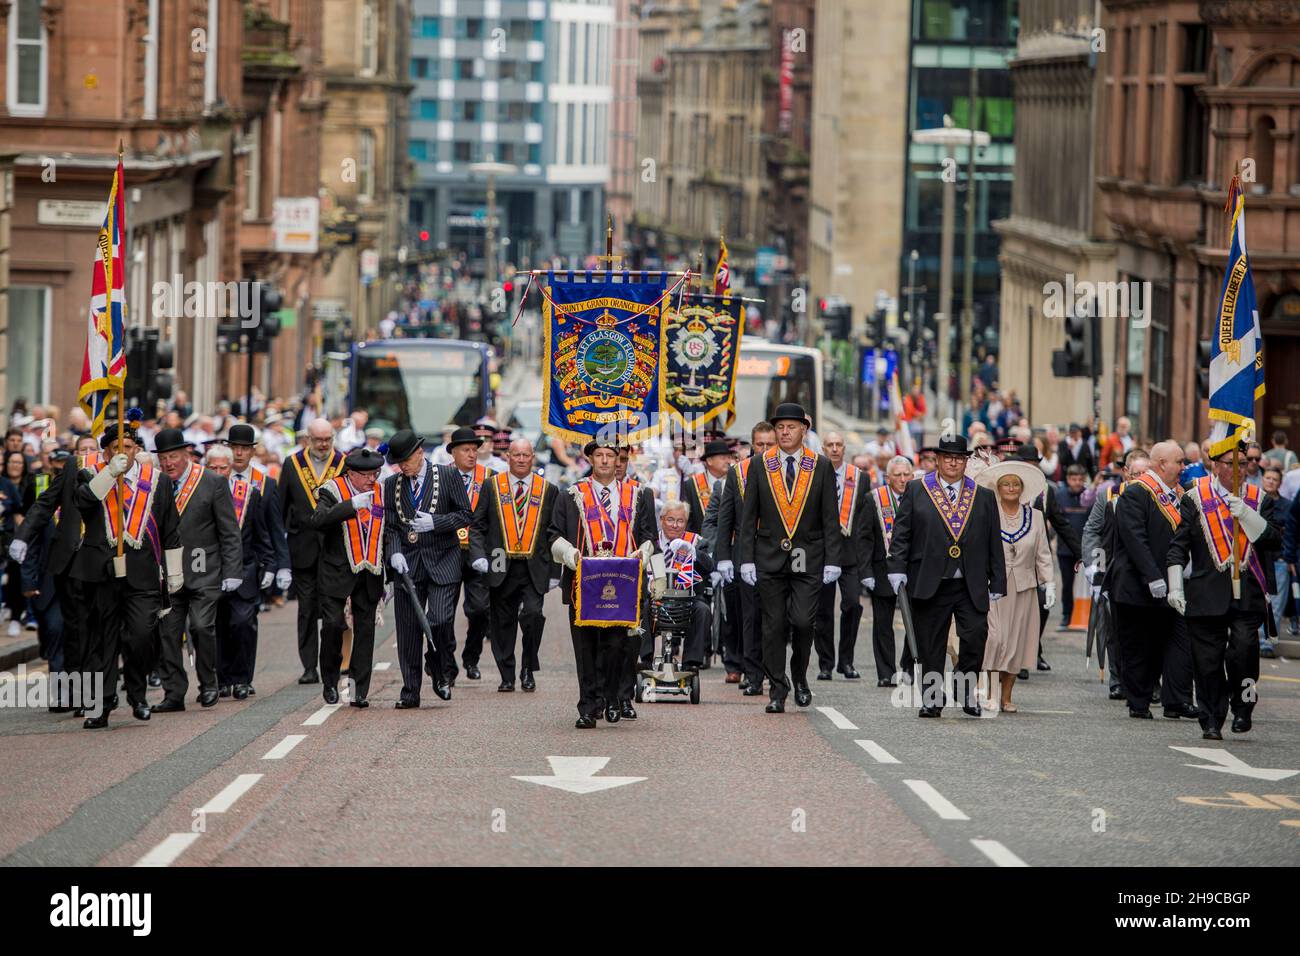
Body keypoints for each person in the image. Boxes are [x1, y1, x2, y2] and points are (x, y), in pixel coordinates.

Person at [886, 434, 1007, 717]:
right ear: (938, 460)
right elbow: (902, 534)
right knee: (931, 643)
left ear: (966, 462)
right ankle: (932, 698)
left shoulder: (983, 495)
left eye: (959, 458)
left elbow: (993, 541)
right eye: (947, 457)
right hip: (930, 579)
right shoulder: (917, 490)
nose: (953, 462)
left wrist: (997, 579)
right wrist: (896, 568)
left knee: (976, 636)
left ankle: (964, 689)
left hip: (971, 581)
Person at [1166, 443, 1281, 739]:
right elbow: (1179, 546)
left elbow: (1274, 541)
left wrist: (1247, 515)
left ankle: (1243, 708)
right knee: (1207, 662)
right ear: (1215, 465)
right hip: (1205, 593)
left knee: (1243, 651)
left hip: (1247, 595)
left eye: (1243, 463)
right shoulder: (1194, 498)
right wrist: (1176, 586)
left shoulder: (1258, 500)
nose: (1237, 469)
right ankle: (1211, 718)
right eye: (1230, 463)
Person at [73, 421, 183, 728]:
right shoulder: (92, 475)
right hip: (103, 574)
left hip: (144, 574)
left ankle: (137, 695)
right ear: (106, 452)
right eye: (116, 448)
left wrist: (174, 573)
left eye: (129, 447)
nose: (124, 453)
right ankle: (102, 706)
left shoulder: (157, 481)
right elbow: (83, 501)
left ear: (137, 449)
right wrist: (110, 473)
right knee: (102, 642)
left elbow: (170, 528)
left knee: (140, 636)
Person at [736, 403, 841, 714]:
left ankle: (799, 676)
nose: (784, 432)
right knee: (773, 625)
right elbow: (748, 516)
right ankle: (777, 689)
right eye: (780, 427)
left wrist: (833, 559)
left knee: (803, 621)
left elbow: (830, 518)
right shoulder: (759, 464)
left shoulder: (820, 465)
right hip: (768, 557)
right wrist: (746, 559)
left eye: (791, 427)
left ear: (804, 431)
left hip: (808, 558)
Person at [548, 436, 658, 728]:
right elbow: (553, 535)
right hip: (582, 585)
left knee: (616, 647)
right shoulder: (571, 495)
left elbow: (650, 538)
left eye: (612, 455)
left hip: (623, 585)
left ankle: (611, 698)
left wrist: (640, 556)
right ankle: (588, 706)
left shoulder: (638, 494)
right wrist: (572, 555)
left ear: (619, 459)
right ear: (591, 459)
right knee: (585, 649)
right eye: (600, 455)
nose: (606, 460)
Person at [153, 428, 244, 712]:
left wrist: (232, 571)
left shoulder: (212, 482)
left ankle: (208, 683)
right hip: (168, 573)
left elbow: (229, 531)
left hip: (204, 568)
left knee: (202, 627)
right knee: (168, 633)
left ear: (186, 454)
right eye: (164, 458)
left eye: (173, 456)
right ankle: (174, 693)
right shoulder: (154, 484)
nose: (168, 463)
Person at [381, 428, 472, 707]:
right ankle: (410, 692)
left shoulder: (447, 475)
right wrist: (394, 554)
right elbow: (392, 527)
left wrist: (436, 523)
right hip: (408, 565)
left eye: (405, 461)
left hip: (443, 560)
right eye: (398, 463)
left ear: (419, 453)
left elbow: (465, 514)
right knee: (408, 631)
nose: (402, 467)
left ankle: (439, 669)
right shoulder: (392, 484)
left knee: (440, 620)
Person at [1110, 440, 1196, 720]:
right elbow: (1135, 539)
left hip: (1175, 584)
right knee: (1139, 647)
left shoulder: (1183, 495)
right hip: (1138, 585)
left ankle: (1177, 700)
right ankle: (1139, 701)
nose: (1184, 467)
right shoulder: (1136, 493)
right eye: (1179, 462)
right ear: (1162, 464)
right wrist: (1153, 577)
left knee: (1178, 644)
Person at [467, 437, 558, 692]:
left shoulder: (548, 489)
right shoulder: (492, 486)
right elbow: (477, 526)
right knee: (502, 623)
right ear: (508, 456)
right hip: (499, 564)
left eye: (525, 455)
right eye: (516, 455)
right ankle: (506, 674)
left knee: (532, 615)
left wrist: (555, 571)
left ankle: (528, 668)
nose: (520, 460)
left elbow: (554, 533)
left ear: (532, 458)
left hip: (534, 567)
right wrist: (478, 556)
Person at [307, 447, 389, 707]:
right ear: (351, 473)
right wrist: (350, 506)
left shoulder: (380, 492)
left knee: (365, 632)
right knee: (332, 626)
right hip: (336, 571)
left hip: (369, 571)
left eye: (374, 474)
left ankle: (357, 690)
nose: (371, 480)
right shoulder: (331, 490)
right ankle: (330, 682)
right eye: (365, 475)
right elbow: (318, 521)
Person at [976, 458, 1054, 713]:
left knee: (1015, 644)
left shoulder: (1036, 516)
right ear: (997, 488)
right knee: (994, 640)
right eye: (1005, 484)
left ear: (1022, 489)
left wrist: (1049, 583)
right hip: (993, 587)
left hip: (1024, 588)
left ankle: (1006, 697)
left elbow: (1043, 554)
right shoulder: (986, 514)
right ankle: (989, 691)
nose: (1010, 488)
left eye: (1015, 484)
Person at [707, 422, 776, 689]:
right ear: (752, 445)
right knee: (747, 615)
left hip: (774, 553)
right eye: (760, 444)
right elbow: (724, 520)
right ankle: (752, 673)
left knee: (775, 617)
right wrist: (722, 556)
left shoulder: (786, 473)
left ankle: (772, 668)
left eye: (770, 445)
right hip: (744, 552)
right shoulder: (739, 473)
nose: (765, 449)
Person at [279, 418, 347, 684]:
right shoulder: (292, 464)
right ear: (308, 439)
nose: (323, 445)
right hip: (303, 548)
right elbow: (281, 508)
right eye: (318, 440)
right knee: (306, 610)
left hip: (334, 549)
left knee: (333, 612)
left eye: (328, 439)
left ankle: (333, 661)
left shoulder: (343, 463)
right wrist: (281, 555)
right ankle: (309, 666)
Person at [205, 444, 275, 700]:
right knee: (217, 627)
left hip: (245, 569)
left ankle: (243, 678)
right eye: (213, 468)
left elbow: (261, 534)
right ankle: (222, 679)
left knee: (243, 623)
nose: (219, 472)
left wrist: (270, 564)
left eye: (223, 467)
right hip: (211, 571)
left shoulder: (249, 494)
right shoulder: (199, 494)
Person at [1082, 448, 1150, 699]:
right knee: (1114, 629)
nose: (1141, 478)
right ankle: (1117, 679)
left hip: (1147, 571)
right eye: (1136, 474)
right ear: (1125, 473)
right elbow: (1092, 531)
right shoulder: (1109, 496)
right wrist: (1093, 566)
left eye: (1146, 473)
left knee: (1147, 631)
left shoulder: (1158, 497)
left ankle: (1148, 682)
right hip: (1114, 569)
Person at [814, 431, 873, 680]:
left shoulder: (860, 478)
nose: (835, 449)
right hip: (821, 552)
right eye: (830, 445)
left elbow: (863, 518)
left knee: (852, 604)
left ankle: (846, 661)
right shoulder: (813, 474)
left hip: (850, 553)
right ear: (823, 448)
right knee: (822, 610)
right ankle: (826, 664)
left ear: (844, 448)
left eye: (839, 445)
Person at [226, 424, 291, 611]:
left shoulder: (265, 484)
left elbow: (276, 528)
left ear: (253, 451)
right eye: (234, 448)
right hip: (219, 565)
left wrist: (283, 565)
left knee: (245, 625)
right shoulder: (216, 479)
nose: (238, 453)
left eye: (244, 448)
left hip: (252, 564)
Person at [448, 427, 491, 682]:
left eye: (475, 450)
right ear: (453, 453)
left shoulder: (490, 478)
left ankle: (471, 658)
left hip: (478, 553)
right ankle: (446, 660)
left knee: (479, 610)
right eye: (466, 450)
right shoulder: (442, 477)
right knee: (444, 612)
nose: (472, 455)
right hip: (449, 552)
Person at [865, 455, 913, 686]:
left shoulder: (920, 497)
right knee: (883, 624)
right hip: (881, 568)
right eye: (898, 475)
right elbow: (863, 538)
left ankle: (909, 665)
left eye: (906, 475)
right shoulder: (873, 499)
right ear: (888, 477)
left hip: (914, 569)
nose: (902, 479)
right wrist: (865, 572)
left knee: (915, 621)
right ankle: (886, 672)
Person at [655, 499, 713, 671]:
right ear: (662, 519)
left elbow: (710, 566)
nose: (675, 525)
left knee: (703, 610)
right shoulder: (652, 541)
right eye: (670, 520)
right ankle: (644, 658)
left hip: (688, 599)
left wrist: (693, 552)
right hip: (657, 599)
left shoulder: (696, 541)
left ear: (686, 523)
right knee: (640, 607)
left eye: (680, 521)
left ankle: (691, 663)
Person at [0, 448, 29, 635]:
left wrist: (24, 538)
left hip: (8, 539)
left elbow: (19, 511)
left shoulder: (7, 485)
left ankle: (16, 616)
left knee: (14, 576)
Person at [682, 439, 733, 537]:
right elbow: (689, 520)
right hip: (701, 543)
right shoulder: (692, 484)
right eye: (723, 458)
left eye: (728, 457)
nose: (728, 461)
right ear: (709, 461)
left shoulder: (734, 481)